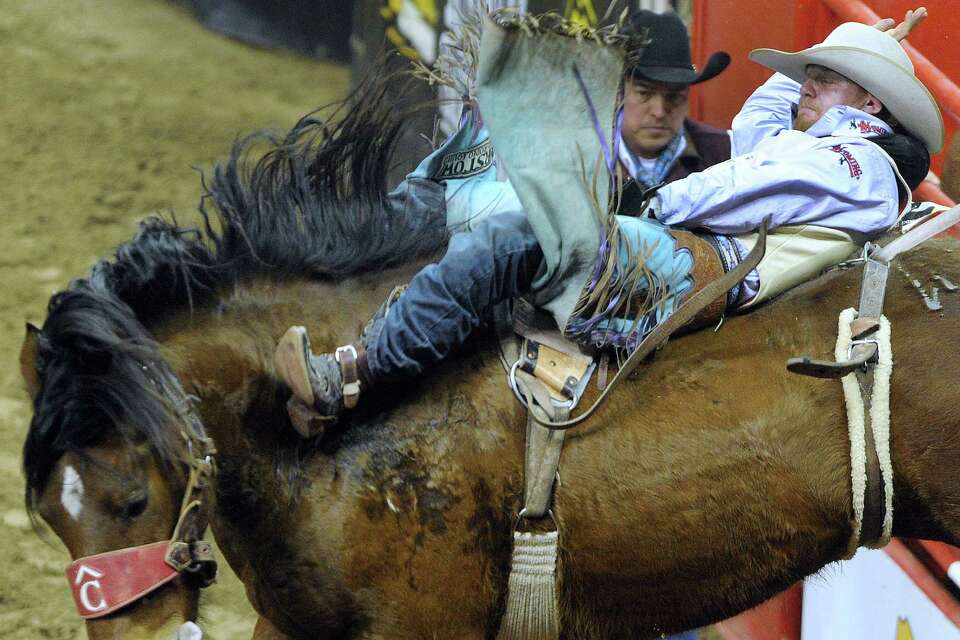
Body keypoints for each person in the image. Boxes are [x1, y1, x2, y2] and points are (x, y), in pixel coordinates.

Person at [274, 9, 941, 421]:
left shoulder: (844, 161)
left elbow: (751, 181)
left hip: (695, 262)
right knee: (488, 233)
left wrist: (647, 203)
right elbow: (760, 128)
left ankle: (363, 370)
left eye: (822, 81)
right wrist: (844, 57)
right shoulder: (843, 155)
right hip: (696, 258)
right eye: (645, 92)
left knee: (514, 237)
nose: (807, 88)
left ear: (868, 106)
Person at [616, 10, 732, 212]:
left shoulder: (722, 155)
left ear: (687, 98)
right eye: (644, 93)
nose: (659, 112)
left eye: (674, 97)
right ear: (618, 94)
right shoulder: (586, 156)